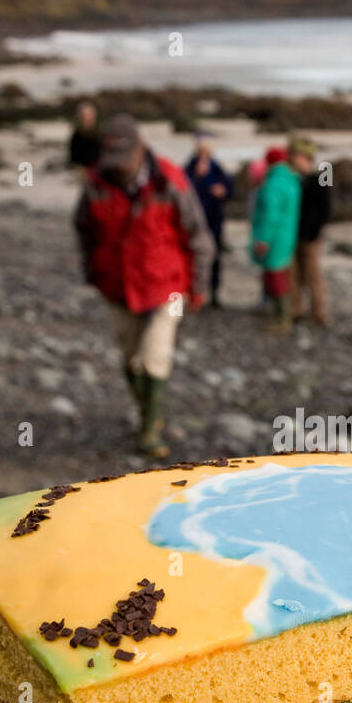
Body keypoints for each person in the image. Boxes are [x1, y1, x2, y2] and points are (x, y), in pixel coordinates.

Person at [75, 113, 213, 458]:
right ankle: (145, 409)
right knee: (129, 357)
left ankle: (150, 428)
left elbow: (198, 235)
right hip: (116, 287)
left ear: (141, 149)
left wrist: (199, 286)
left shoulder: (171, 182)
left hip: (169, 287)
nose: (118, 167)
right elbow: (84, 230)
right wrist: (92, 272)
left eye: (125, 158)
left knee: (155, 356)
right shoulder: (95, 185)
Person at [249, 140, 303, 333]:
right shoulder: (292, 180)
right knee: (281, 275)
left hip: (275, 238)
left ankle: (282, 318)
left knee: (275, 277)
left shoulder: (273, 184)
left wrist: (263, 239)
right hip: (288, 235)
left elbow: (269, 216)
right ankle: (282, 315)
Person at [184, 136, 234, 309]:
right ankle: (193, 291)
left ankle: (213, 293)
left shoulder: (217, 168)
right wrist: (198, 177)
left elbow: (229, 187)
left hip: (214, 219)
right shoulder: (189, 168)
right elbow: (183, 188)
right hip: (194, 220)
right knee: (194, 256)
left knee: (214, 256)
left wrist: (223, 191)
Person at [290, 138, 330, 327]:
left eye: (296, 156)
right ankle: (296, 311)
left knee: (313, 276)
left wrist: (317, 231)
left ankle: (319, 313)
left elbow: (326, 208)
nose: (293, 159)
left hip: (311, 236)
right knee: (294, 275)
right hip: (293, 234)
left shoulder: (323, 174)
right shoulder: (295, 178)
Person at [68, 100, 102, 173]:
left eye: (89, 115)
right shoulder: (77, 135)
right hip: (83, 169)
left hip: (98, 169)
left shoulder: (99, 133)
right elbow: (74, 156)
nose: (87, 118)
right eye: (85, 116)